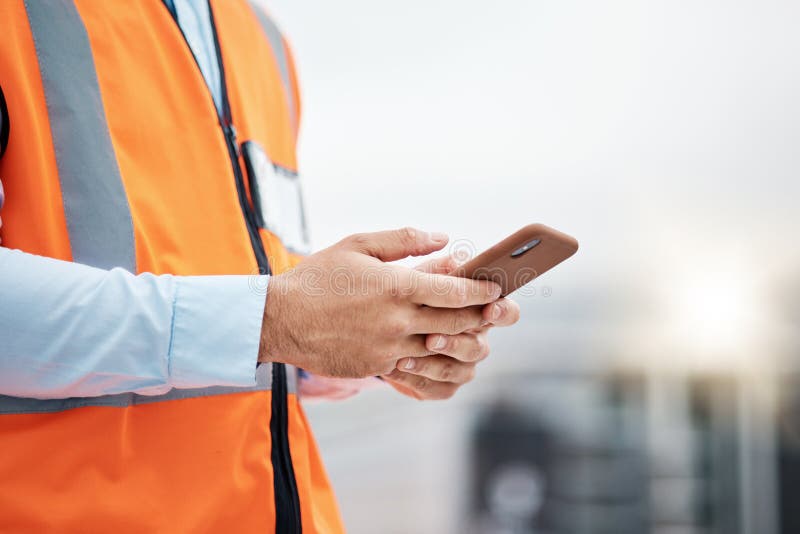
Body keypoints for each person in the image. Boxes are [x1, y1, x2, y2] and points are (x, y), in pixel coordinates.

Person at [0, 1, 520, 532]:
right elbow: (255, 318)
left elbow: (246, 304)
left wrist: (384, 342)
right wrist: (272, 321)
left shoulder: (260, 38)